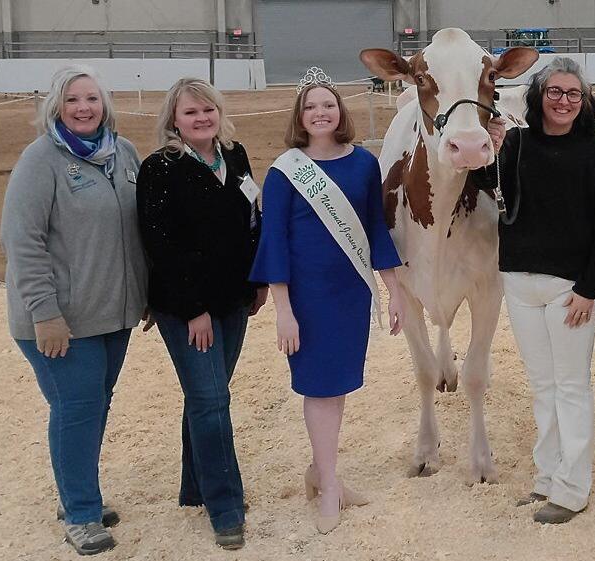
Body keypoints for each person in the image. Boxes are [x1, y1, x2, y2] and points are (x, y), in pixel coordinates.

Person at [0, 65, 147, 555]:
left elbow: (138, 231)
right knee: (77, 410)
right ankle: (81, 513)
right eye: (72, 101)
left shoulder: (123, 153)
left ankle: (77, 493)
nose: (84, 108)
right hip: (61, 321)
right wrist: (44, 312)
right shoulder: (40, 161)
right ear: (56, 107)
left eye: (92, 99)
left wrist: (145, 295)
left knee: (91, 408)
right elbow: (23, 242)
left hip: (112, 315)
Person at [249, 68, 404, 534]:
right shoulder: (284, 171)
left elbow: (376, 229)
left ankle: (322, 473)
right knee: (319, 387)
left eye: (328, 105)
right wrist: (283, 310)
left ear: (341, 112)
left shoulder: (362, 164)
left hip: (351, 293)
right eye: (311, 106)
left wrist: (394, 291)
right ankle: (330, 486)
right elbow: (272, 240)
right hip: (308, 297)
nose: (321, 113)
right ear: (300, 115)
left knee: (337, 386)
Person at [484, 57, 595, 524]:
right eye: (555, 92)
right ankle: (546, 477)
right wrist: (485, 150)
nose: (564, 101)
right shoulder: (517, 144)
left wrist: (591, 287)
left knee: (570, 387)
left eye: (572, 94)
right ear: (539, 96)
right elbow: (490, 190)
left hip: (573, 288)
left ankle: (573, 487)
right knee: (543, 386)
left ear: (583, 102)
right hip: (519, 281)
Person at [136, 78, 266, 549]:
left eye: (208, 109)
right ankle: (225, 505)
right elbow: (161, 246)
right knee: (212, 399)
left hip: (234, 301)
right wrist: (194, 310)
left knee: (208, 395)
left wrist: (257, 283)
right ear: (174, 119)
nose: (201, 118)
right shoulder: (160, 169)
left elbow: (254, 220)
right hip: (188, 309)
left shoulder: (235, 155)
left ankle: (194, 487)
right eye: (191, 112)